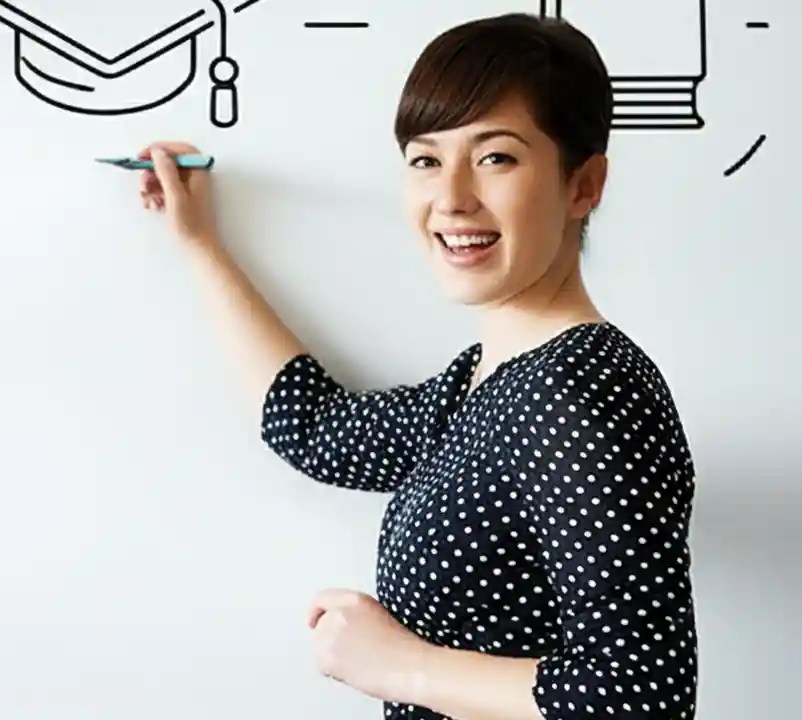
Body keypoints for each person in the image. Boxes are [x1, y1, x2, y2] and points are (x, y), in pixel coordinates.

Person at [134, 12, 698, 720]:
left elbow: (641, 697)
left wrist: (402, 667)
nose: (451, 198)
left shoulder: (581, 389)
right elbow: (312, 428)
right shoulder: (480, 384)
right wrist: (199, 242)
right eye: (426, 160)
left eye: (496, 157)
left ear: (583, 185)